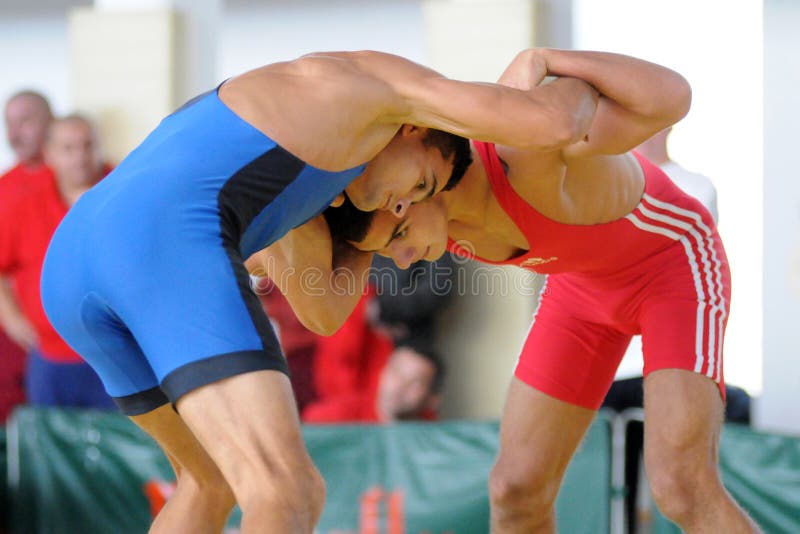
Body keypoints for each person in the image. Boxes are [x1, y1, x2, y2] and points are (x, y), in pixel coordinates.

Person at [40, 50, 596, 533]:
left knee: (208, 481)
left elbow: (325, 313)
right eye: (422, 183)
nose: (404, 203)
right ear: (414, 129)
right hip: (157, 240)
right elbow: (550, 123)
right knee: (288, 489)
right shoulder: (378, 88)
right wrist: (562, 69)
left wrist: (370, 232)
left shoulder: (306, 177)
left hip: (72, 265)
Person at [325, 49, 760, 533]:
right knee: (515, 490)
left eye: (399, 235)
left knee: (681, 486)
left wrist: (549, 61)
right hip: (581, 286)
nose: (404, 259)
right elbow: (322, 309)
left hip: (669, 262)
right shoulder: (402, 212)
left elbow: (673, 96)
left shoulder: (517, 151)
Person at [0, 114, 115, 409]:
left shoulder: (125, 191)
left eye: (87, 146)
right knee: (49, 436)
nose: (80, 157)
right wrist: (11, 318)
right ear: (49, 154)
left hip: (119, 354)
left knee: (122, 437)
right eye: (68, 148)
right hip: (51, 356)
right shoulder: (25, 204)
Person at [302, 290, 443, 424]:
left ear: (433, 400)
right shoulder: (335, 418)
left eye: (415, 383)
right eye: (396, 372)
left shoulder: (433, 433)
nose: (400, 385)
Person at [0, 90, 53, 420]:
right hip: (20, 336)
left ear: (50, 123)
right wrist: (14, 321)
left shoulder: (77, 177)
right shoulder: (5, 188)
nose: (14, 133)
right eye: (9, 124)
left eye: (25, 121)